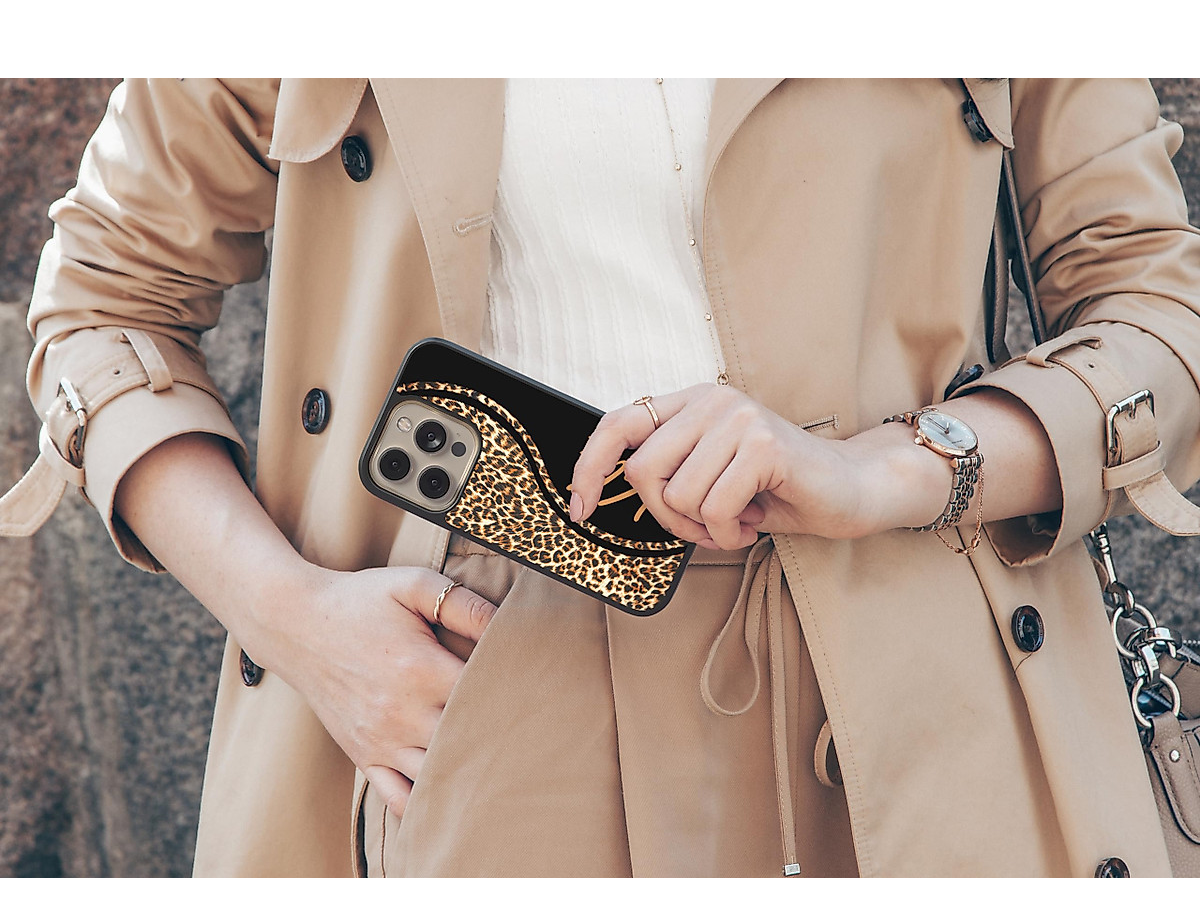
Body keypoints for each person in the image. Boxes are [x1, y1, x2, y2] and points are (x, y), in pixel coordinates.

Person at [4, 78, 1199, 877]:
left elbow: (1157, 301)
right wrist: (299, 624)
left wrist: (889, 468)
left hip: (910, 692)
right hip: (463, 688)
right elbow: (105, 301)